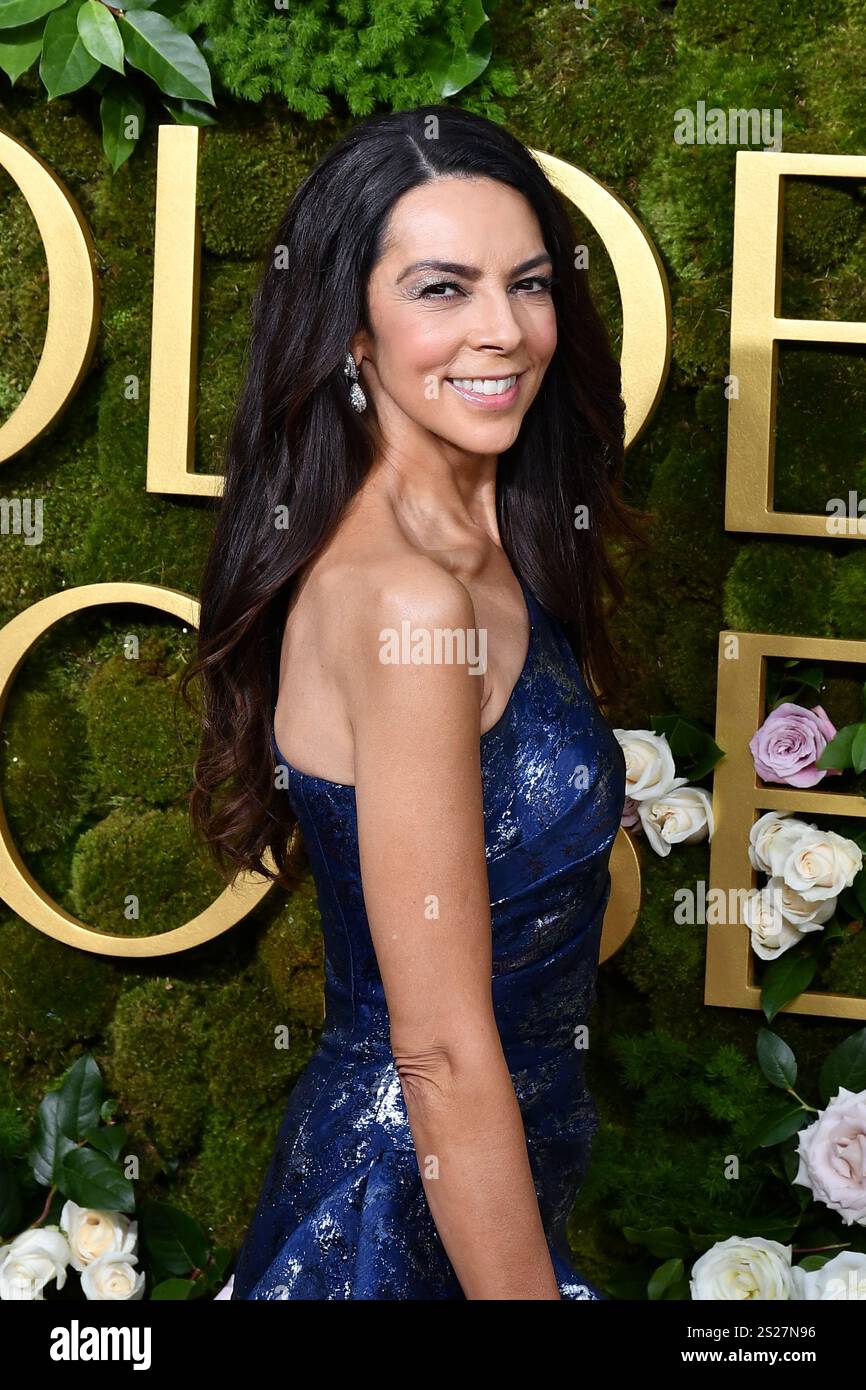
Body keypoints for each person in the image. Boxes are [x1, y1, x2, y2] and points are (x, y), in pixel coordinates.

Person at [183, 103, 647, 1300]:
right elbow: (435, 1051)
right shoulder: (405, 604)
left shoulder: (492, 534)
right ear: (348, 330)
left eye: (529, 283)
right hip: (393, 1217)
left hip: (490, 1195)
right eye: (442, 289)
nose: (504, 331)